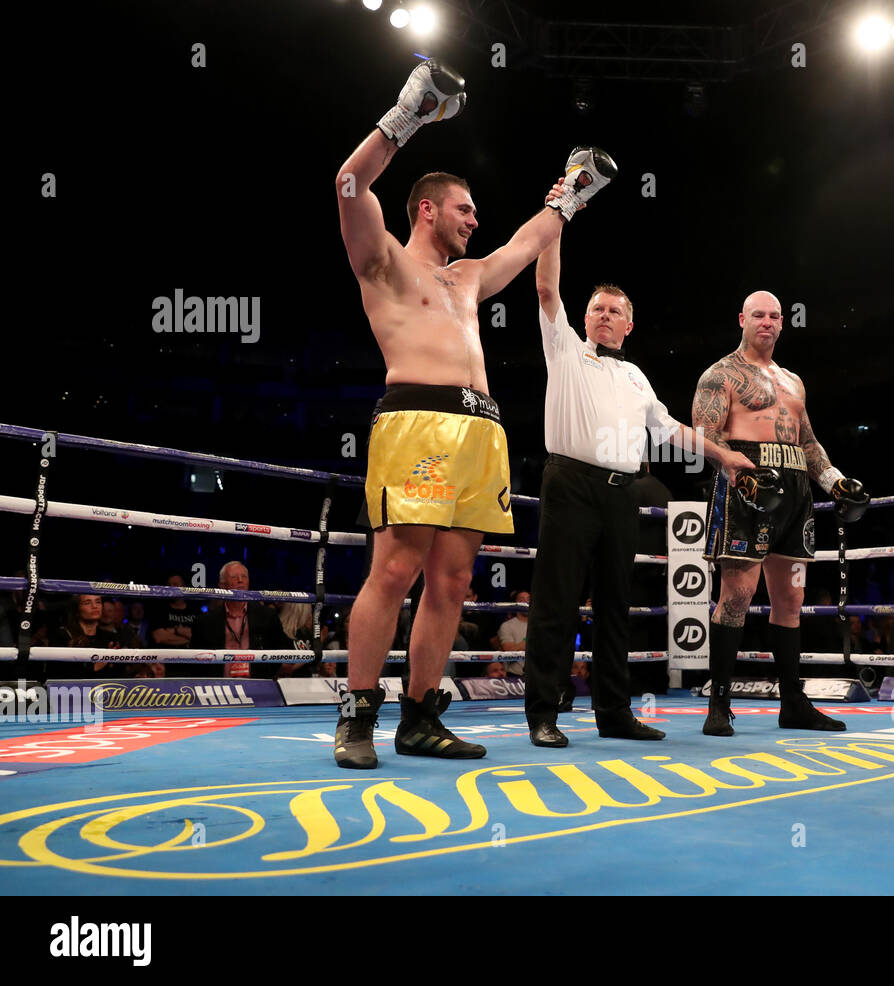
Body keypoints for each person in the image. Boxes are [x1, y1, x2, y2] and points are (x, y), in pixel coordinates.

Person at [332, 59, 613, 769]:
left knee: (453, 580)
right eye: (464, 209)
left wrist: (569, 195)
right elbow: (349, 183)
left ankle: (420, 715)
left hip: (480, 430)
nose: (474, 219)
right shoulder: (388, 265)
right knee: (395, 569)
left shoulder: (469, 278)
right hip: (416, 421)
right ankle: (357, 713)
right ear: (428, 209)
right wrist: (409, 117)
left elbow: (525, 242)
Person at [523, 227, 752, 748]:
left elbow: (670, 429)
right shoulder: (564, 350)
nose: (604, 315)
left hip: (622, 492)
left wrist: (723, 455)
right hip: (570, 485)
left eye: (614, 310)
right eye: (597, 308)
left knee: (614, 606)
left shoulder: (636, 378)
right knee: (556, 603)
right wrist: (558, 219)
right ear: (584, 319)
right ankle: (543, 713)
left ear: (629, 324)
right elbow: (545, 290)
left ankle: (614, 712)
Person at [692, 290, 868, 736]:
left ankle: (793, 703)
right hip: (746, 483)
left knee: (791, 600)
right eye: (758, 315)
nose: (766, 322)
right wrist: (738, 474)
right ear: (742, 320)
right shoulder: (720, 375)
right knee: (737, 595)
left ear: (782, 323)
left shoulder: (793, 381)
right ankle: (719, 705)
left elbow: (807, 443)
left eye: (774, 316)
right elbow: (703, 436)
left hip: (794, 490)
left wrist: (834, 481)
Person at [190, 562, 295, 677]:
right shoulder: (206, 621)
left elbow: (284, 649)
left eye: (244, 576)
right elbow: (196, 662)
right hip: (219, 686)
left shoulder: (266, 615)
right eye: (234, 577)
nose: (240, 580)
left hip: (258, 686)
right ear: (222, 585)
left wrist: (272, 674)